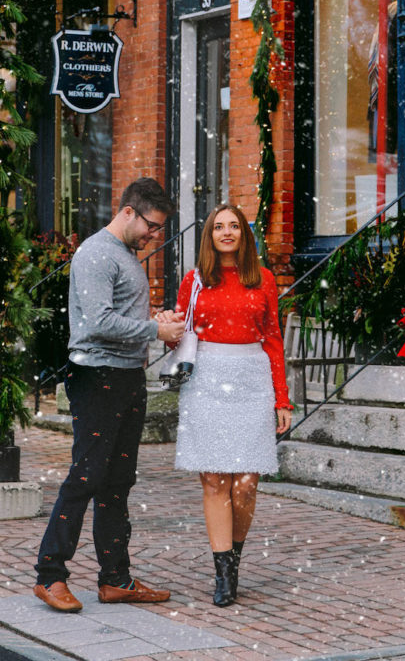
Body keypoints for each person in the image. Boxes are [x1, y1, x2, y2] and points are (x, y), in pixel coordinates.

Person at [33, 177, 185, 613]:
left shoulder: (124, 255)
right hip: (97, 377)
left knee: (117, 482)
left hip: (124, 378)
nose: (155, 235)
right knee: (85, 477)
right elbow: (97, 322)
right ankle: (50, 575)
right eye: (152, 226)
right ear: (128, 212)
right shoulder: (98, 253)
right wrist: (156, 329)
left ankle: (115, 579)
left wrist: (155, 320)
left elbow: (117, 316)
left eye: (159, 229)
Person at [165, 203, 292, 607]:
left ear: (243, 234)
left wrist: (282, 399)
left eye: (233, 226)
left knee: (247, 483)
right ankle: (224, 573)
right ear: (209, 236)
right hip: (206, 379)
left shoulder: (265, 280)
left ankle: (233, 555)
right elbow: (181, 338)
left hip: (251, 378)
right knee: (215, 480)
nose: (225, 232)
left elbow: (273, 339)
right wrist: (166, 327)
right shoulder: (196, 280)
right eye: (218, 227)